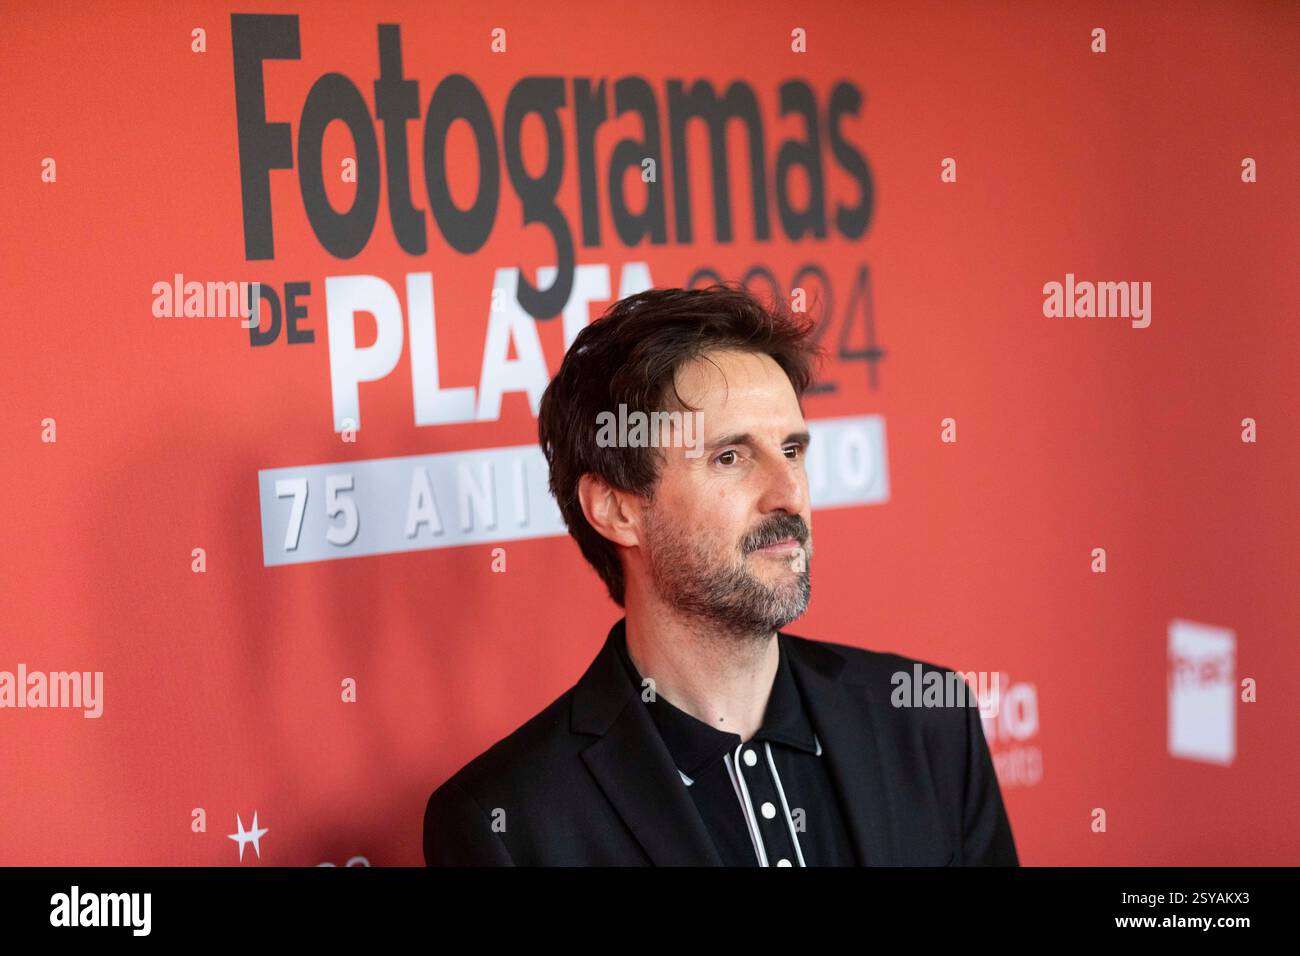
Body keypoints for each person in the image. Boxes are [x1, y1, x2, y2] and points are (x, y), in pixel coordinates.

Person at [423, 283, 1018, 866]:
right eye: (729, 457)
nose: (788, 494)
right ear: (617, 509)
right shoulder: (510, 824)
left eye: (791, 450)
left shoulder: (927, 724)